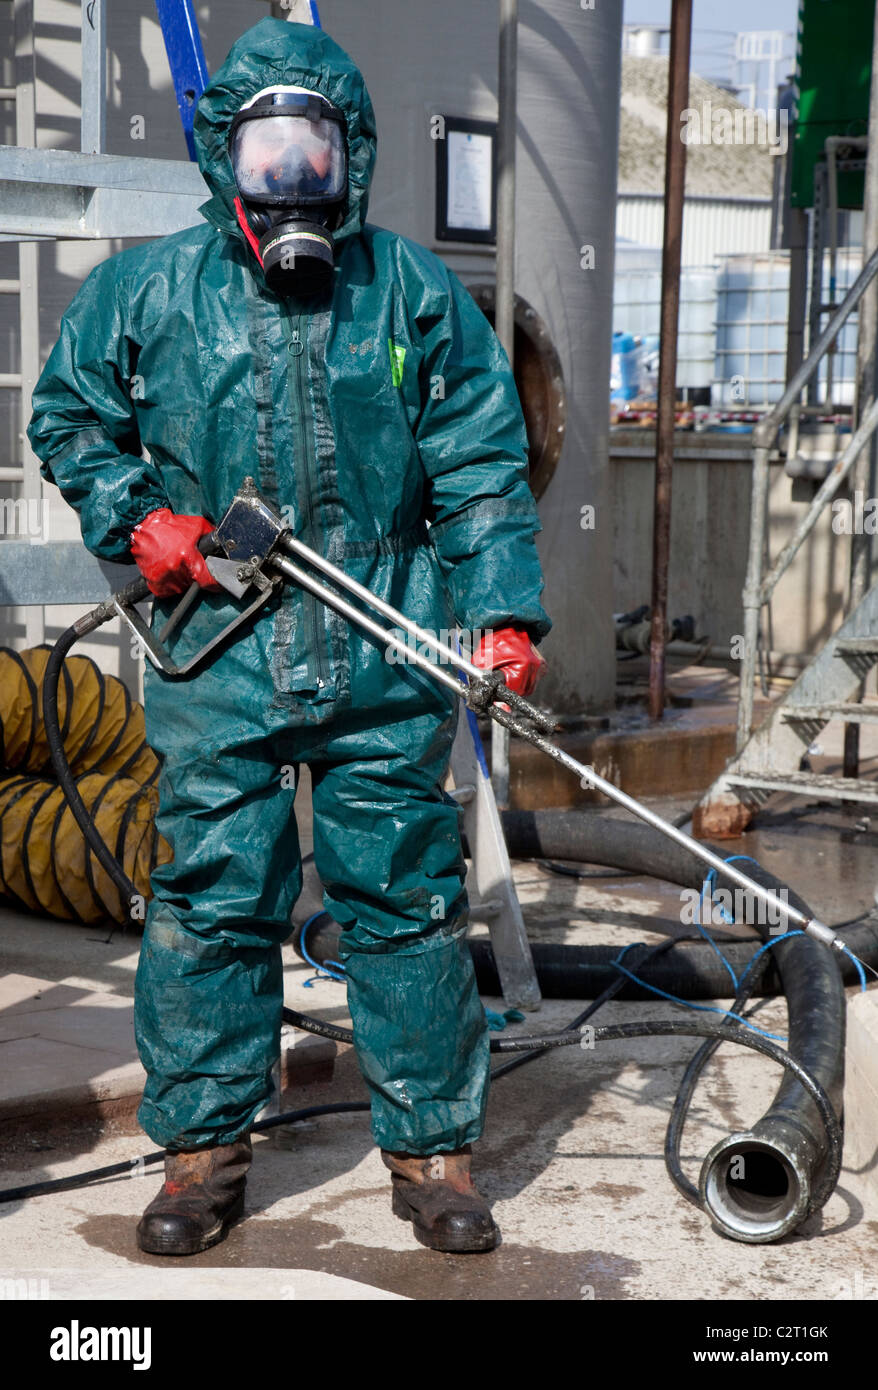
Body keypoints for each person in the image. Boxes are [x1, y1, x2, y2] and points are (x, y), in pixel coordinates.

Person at [28, 17, 550, 1257]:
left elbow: (480, 467)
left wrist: (504, 613)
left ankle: (433, 1154)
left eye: (312, 154)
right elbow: (69, 417)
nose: (291, 182)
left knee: (406, 904)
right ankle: (201, 1154)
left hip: (387, 649)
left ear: (350, 156)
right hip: (219, 643)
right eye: (267, 158)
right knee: (209, 902)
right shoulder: (143, 290)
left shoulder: (410, 290)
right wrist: (138, 517)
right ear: (224, 159)